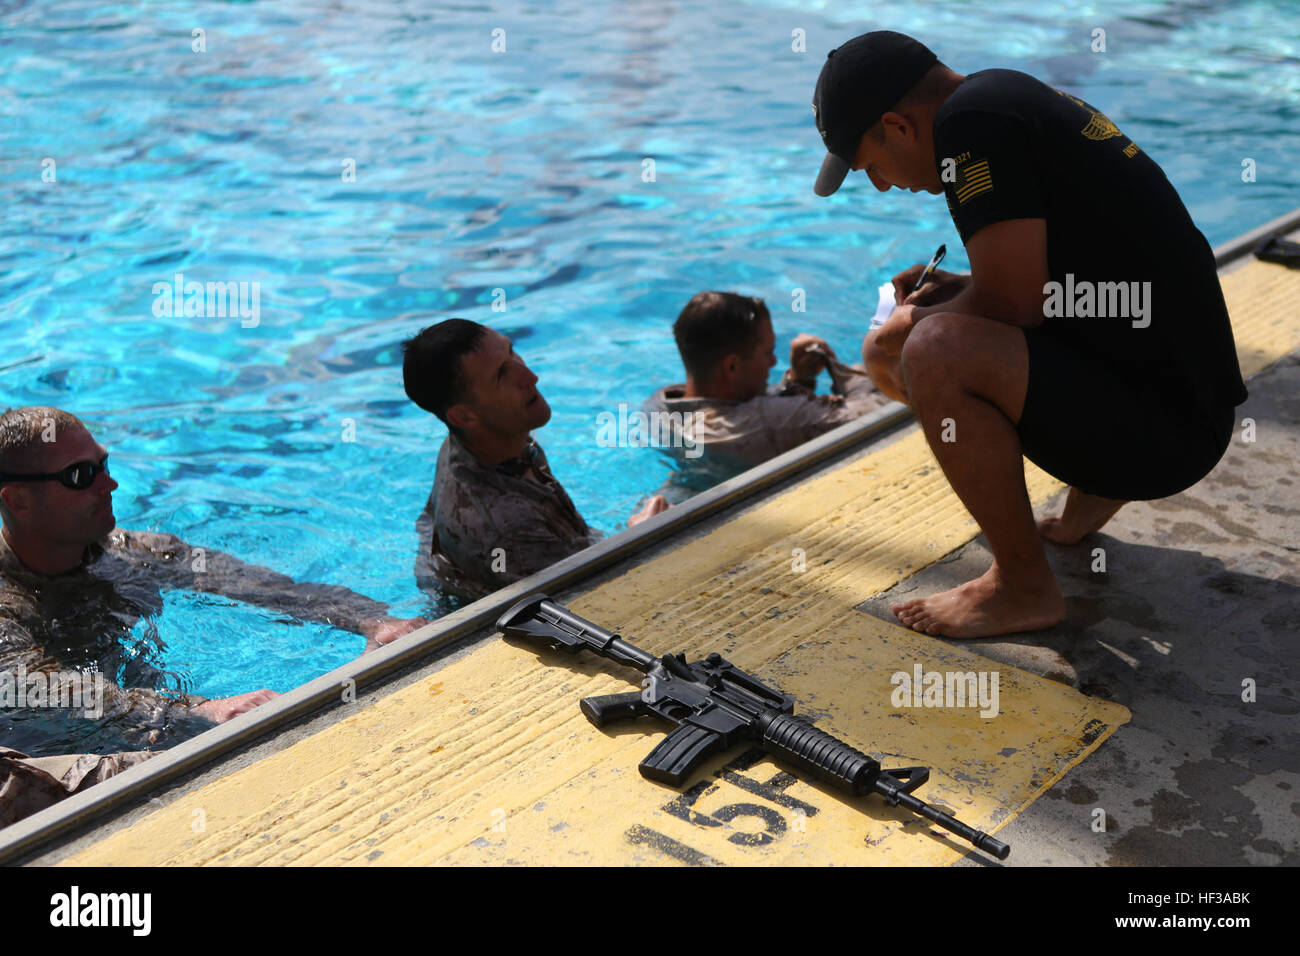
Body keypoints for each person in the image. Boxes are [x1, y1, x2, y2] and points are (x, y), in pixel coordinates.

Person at [811, 31, 1247, 638]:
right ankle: (1095, 486)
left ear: (898, 125)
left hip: (1166, 434)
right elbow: (1071, 272)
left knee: (925, 352)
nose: (882, 185)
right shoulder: (1005, 97)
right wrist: (963, 287)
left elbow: (1015, 302)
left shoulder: (969, 132)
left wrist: (913, 322)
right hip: (1185, 403)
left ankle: (1021, 586)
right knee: (934, 328)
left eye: (870, 166)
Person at [0, 405, 425, 823]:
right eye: (81, 475)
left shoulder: (122, 551)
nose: (110, 483)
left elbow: (250, 583)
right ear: (18, 500)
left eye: (104, 463)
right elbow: (48, 694)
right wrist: (201, 711)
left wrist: (368, 618)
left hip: (136, 710)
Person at [403, 319, 668, 601]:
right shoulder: (509, 530)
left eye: (512, 352)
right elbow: (598, 602)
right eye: (501, 374)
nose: (530, 376)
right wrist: (637, 539)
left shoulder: (475, 442)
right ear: (465, 416)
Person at [643, 291, 889, 484]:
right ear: (731, 367)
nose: (773, 362)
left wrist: (798, 381)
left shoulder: (659, 406)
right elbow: (882, 409)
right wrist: (850, 366)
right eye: (768, 352)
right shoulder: (766, 419)